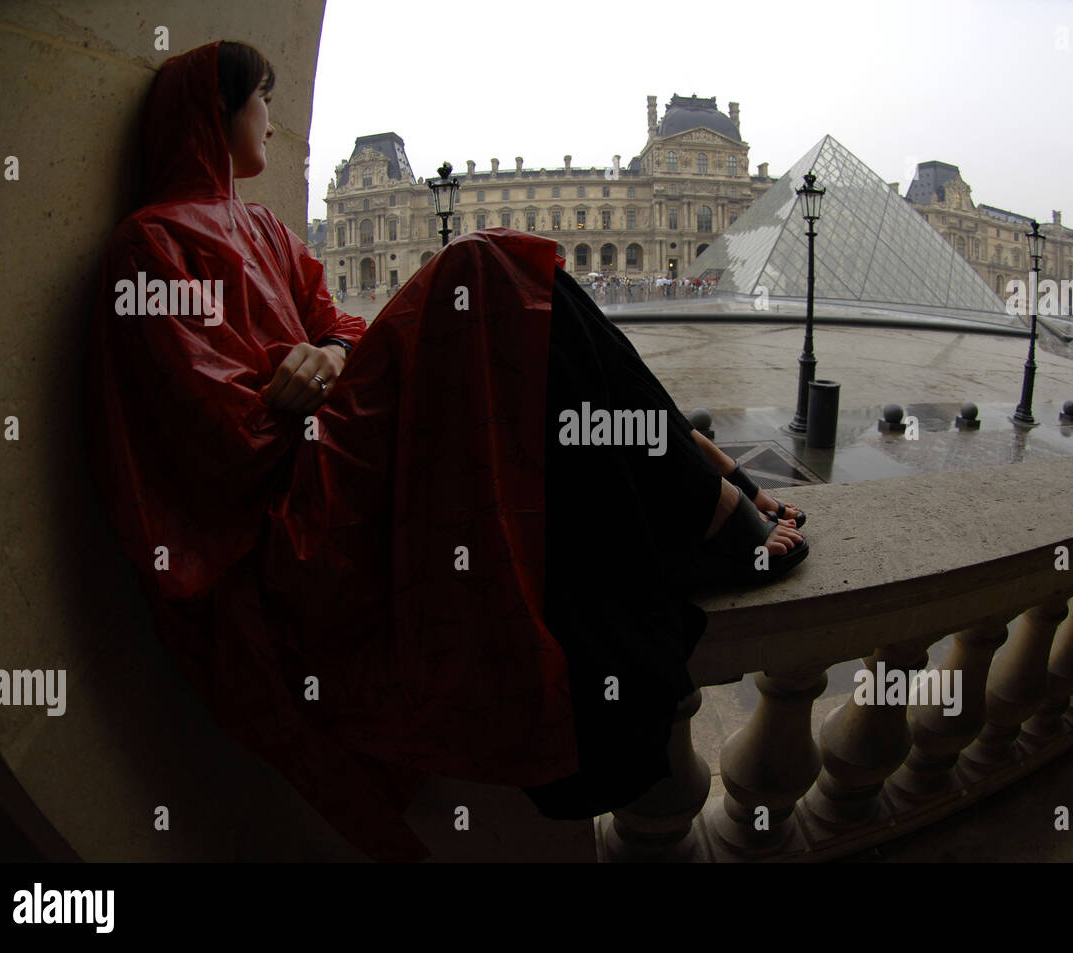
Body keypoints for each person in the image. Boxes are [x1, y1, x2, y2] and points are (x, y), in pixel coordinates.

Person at [86, 41, 807, 862]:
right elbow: (204, 442)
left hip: (337, 454)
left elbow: (342, 325)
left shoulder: (262, 228)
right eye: (260, 101)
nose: (272, 121)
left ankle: (696, 477)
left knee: (514, 290)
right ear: (215, 115)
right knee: (481, 264)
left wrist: (329, 350)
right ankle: (702, 488)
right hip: (298, 501)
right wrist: (312, 386)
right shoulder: (149, 248)